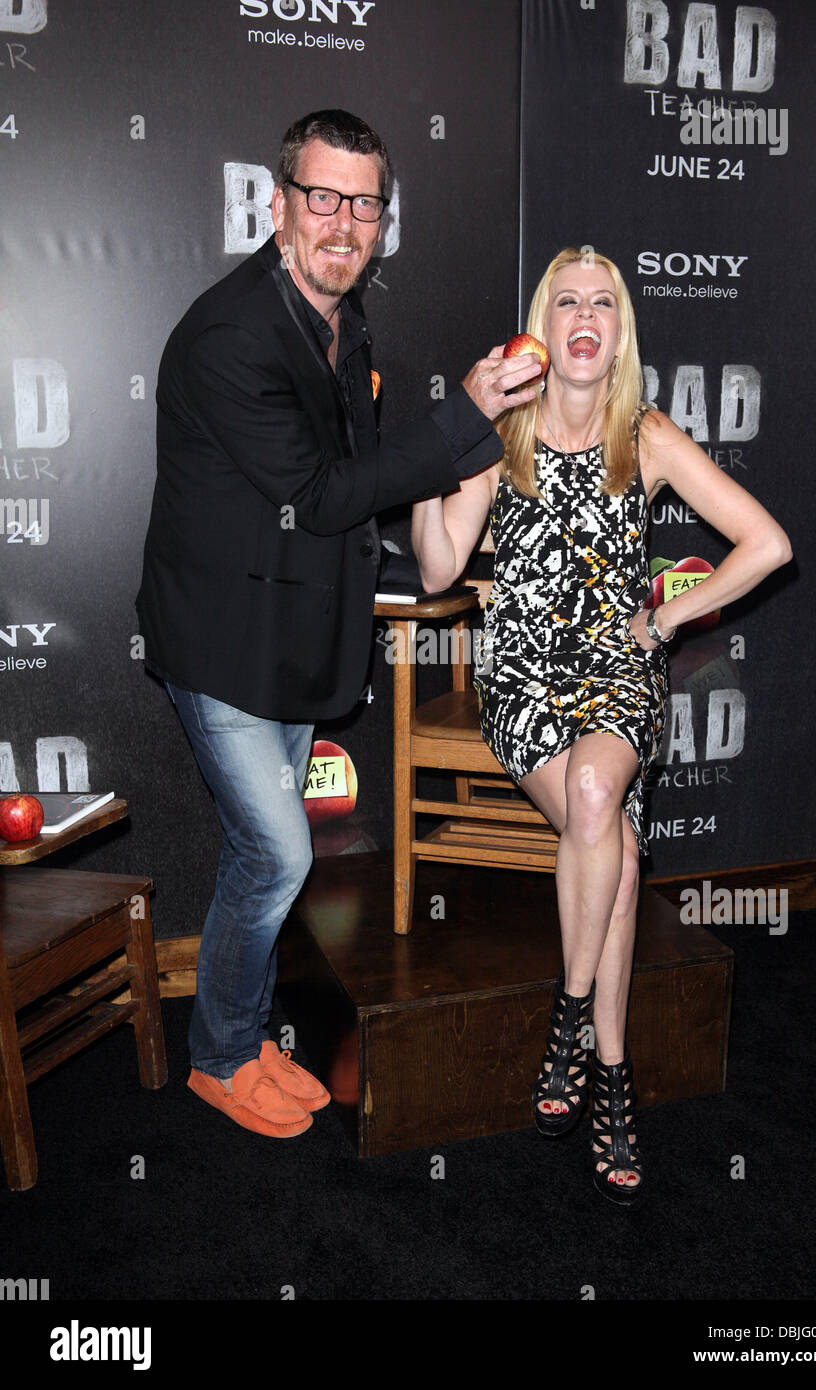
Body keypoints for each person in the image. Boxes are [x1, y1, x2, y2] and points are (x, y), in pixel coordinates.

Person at [135, 109, 540, 1139]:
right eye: (323, 197)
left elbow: (348, 488)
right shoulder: (231, 334)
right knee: (275, 856)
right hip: (224, 642)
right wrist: (469, 417)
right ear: (278, 205)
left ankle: (248, 1026)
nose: (344, 222)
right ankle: (220, 1057)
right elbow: (318, 493)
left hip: (290, 634)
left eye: (364, 204)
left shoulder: (341, 317)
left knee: (253, 855)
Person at [411, 246, 792, 1203]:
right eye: (566, 301)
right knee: (614, 851)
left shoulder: (647, 436)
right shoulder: (501, 434)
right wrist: (443, 440)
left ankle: (569, 1016)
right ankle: (611, 1075)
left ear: (621, 333)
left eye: (604, 305)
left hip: (618, 670)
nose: (586, 316)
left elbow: (769, 543)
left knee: (595, 799)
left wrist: (663, 619)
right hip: (524, 679)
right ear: (542, 328)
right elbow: (434, 568)